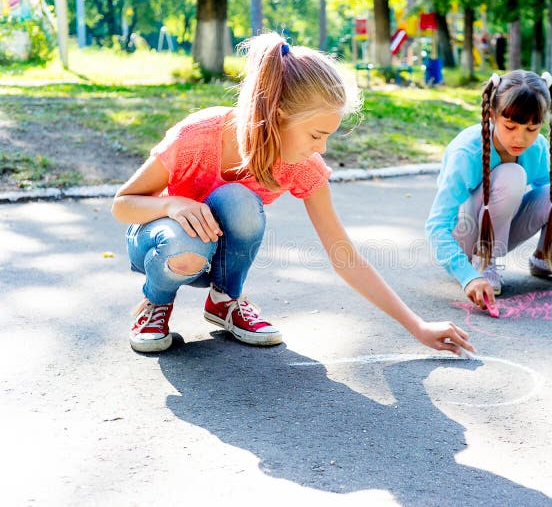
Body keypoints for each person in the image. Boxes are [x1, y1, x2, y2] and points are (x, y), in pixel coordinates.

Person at [112, 31, 474, 357]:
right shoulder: (198, 135)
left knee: (240, 201)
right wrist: (175, 204)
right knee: (187, 245)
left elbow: (343, 254)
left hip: (213, 252)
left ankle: (225, 301)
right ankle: (155, 303)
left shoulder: (301, 164)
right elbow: (123, 205)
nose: (323, 148)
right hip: (160, 241)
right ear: (278, 114)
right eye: (316, 135)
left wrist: (418, 326)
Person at [425, 70, 552, 311]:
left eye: (531, 128)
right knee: (511, 176)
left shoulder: (537, 149)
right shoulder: (467, 153)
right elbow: (436, 225)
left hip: (499, 231)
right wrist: (468, 276)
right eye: (510, 126)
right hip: (464, 238)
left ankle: (549, 259)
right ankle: (485, 264)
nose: (520, 138)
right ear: (492, 115)